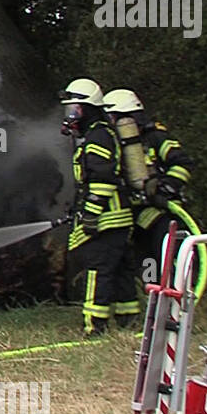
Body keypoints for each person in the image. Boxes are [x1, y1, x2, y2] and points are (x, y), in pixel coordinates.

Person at [103, 88, 199, 295]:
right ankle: (154, 298)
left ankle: (179, 297)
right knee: (146, 260)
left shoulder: (155, 136)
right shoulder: (113, 142)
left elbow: (182, 163)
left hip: (163, 212)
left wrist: (165, 186)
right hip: (135, 215)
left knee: (168, 255)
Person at [60, 79, 135, 336]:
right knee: (120, 269)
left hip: (107, 217)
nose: (70, 116)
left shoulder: (99, 135)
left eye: (74, 110)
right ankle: (129, 321)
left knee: (98, 270)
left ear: (88, 108)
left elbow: (103, 178)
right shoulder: (97, 134)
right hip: (117, 217)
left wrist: (91, 214)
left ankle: (95, 326)